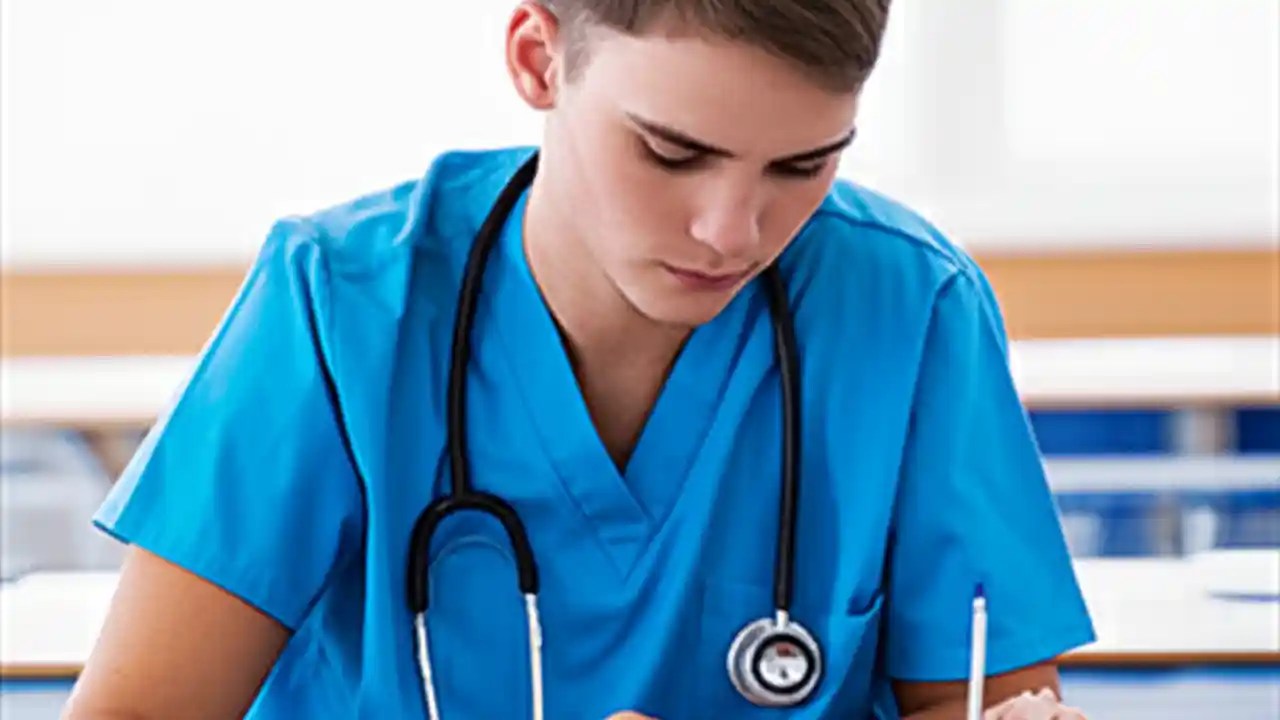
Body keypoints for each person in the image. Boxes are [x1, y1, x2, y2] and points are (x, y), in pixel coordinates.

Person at [62, 1, 1097, 718]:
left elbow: (978, 701)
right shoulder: (339, 309)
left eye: (801, 164)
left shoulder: (909, 312)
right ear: (536, 57)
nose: (730, 231)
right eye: (670, 151)